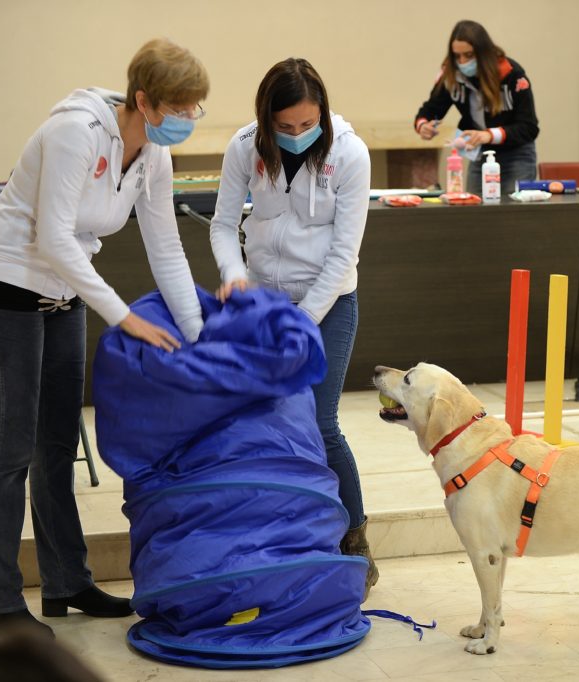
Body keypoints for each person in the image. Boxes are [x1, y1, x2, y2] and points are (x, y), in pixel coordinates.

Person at [0, 38, 210, 636]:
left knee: (57, 444)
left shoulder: (152, 153)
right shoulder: (76, 132)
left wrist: (200, 336)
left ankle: (65, 582)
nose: (187, 120)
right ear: (143, 99)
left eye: (195, 109)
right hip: (9, 284)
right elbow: (53, 239)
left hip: (65, 292)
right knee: (11, 445)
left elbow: (166, 246)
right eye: (179, 108)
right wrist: (123, 316)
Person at [207, 58, 378, 596]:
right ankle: (279, 536)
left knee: (320, 423)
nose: (299, 135)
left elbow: (344, 253)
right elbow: (221, 224)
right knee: (263, 423)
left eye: (308, 125)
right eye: (286, 127)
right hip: (264, 303)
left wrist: (303, 325)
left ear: (322, 114)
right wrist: (235, 277)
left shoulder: (350, 153)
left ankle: (355, 539)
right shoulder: (244, 148)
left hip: (327, 302)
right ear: (267, 121)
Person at [414, 19, 539, 197]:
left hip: (516, 155)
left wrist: (488, 134)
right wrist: (423, 125)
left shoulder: (512, 74)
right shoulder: (451, 74)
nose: (463, 61)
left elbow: (529, 127)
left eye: (469, 55)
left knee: (513, 215)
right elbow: (431, 109)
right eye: (457, 56)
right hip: (480, 154)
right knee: (474, 214)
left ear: (484, 53)